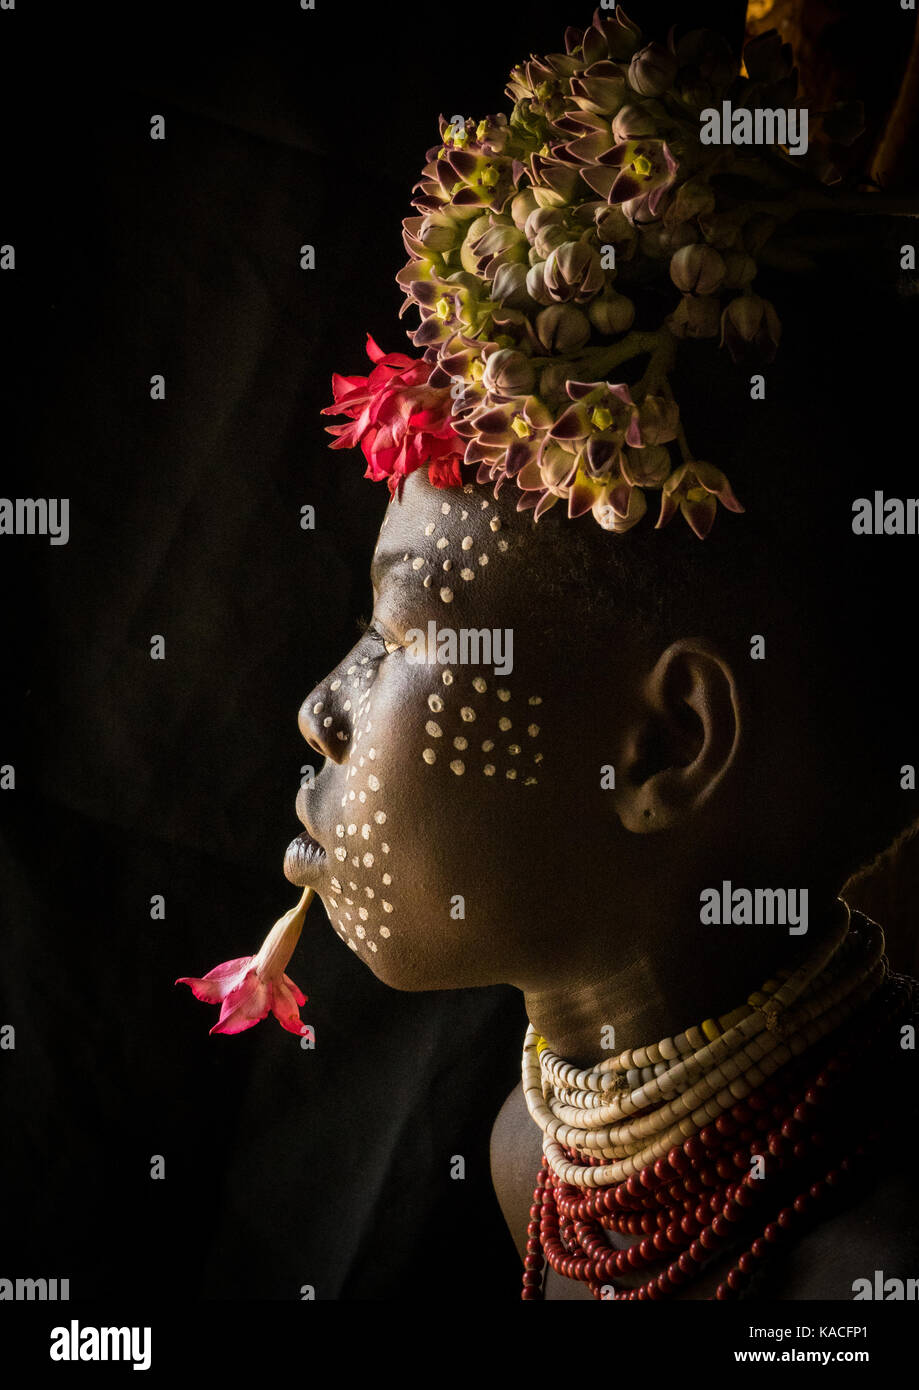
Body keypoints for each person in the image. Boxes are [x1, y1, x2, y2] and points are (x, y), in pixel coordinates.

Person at [182, 7, 919, 1299]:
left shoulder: (869, 1265)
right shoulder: (537, 1162)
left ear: (668, 743)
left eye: (399, 630)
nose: (318, 708)